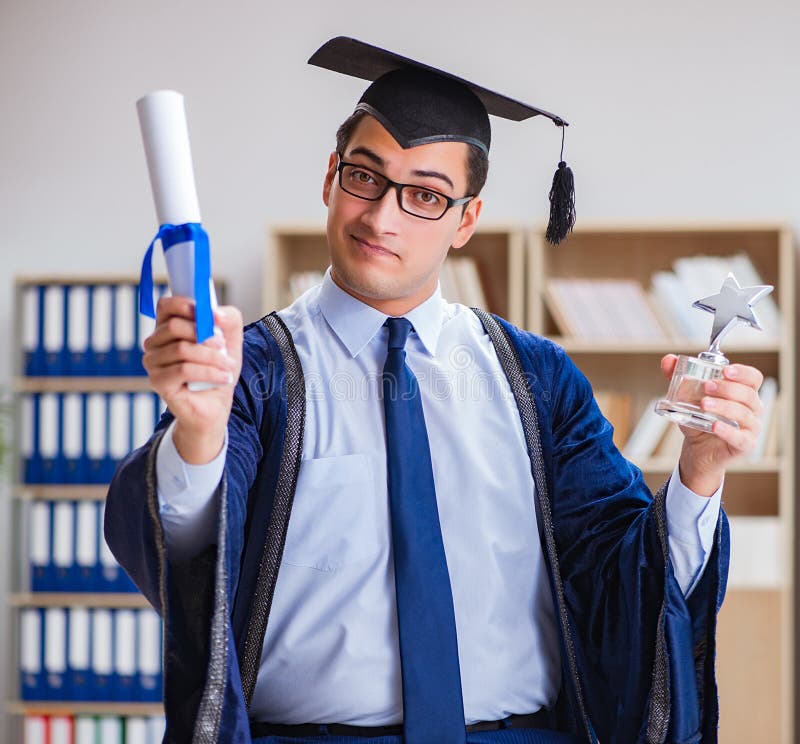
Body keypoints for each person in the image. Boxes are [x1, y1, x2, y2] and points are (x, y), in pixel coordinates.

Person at [106, 37, 764, 744]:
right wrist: (200, 431)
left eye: (424, 195)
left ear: (466, 222)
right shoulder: (256, 371)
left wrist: (699, 472)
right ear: (330, 177)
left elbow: (625, 584)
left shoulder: (536, 381)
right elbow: (186, 553)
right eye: (365, 177)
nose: (381, 218)